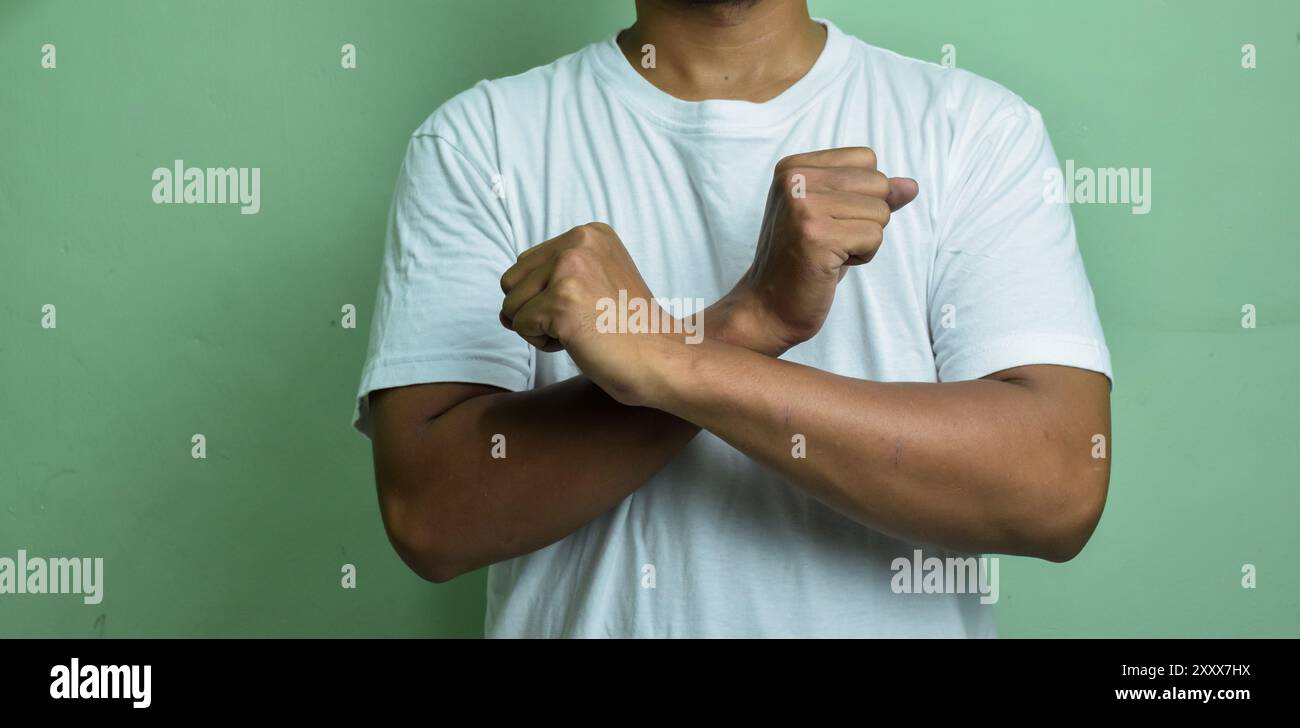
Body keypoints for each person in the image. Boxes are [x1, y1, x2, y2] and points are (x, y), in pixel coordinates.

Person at [354, 0, 1113, 637]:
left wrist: (677, 361)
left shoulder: (974, 129)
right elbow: (433, 516)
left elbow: (1056, 488)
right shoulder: (479, 141)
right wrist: (751, 321)